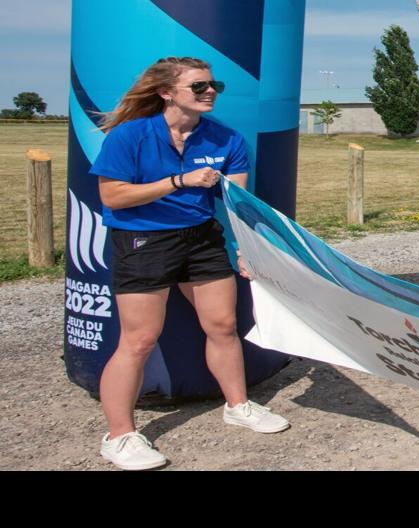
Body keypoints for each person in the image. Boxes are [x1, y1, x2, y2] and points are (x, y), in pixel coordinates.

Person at [90, 56, 289, 471]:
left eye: (213, 85)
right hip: (143, 240)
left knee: (223, 326)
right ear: (167, 93)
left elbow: (237, 206)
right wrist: (178, 182)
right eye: (199, 86)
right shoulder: (129, 136)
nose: (210, 91)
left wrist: (243, 248)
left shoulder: (227, 140)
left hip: (201, 239)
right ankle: (119, 436)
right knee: (140, 339)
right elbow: (113, 198)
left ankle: (238, 406)